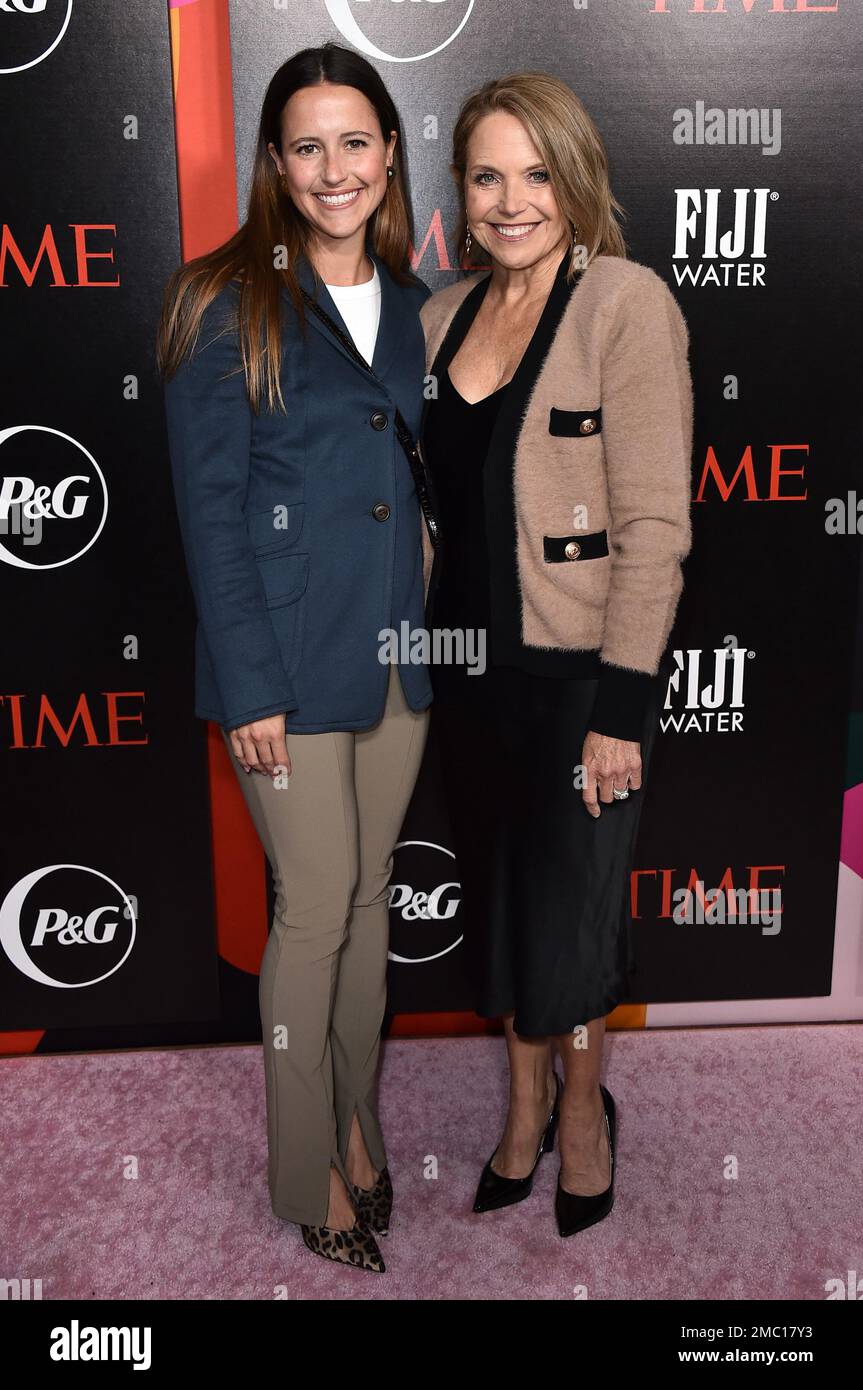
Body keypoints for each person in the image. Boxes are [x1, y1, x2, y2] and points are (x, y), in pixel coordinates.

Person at [157, 43, 434, 1274]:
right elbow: (211, 516)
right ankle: (304, 1161)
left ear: (387, 153)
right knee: (315, 909)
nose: (334, 168)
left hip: (397, 661)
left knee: (370, 905)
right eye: (307, 145)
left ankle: (360, 1122)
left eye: (355, 141)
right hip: (282, 671)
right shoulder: (228, 298)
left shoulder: (420, 301)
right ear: (274, 162)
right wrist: (251, 682)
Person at [418, 72, 693, 1237]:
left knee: (571, 921)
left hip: (579, 678)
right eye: (486, 175)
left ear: (573, 179)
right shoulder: (439, 317)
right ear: (461, 196)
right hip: (467, 677)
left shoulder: (622, 301)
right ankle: (519, 1111)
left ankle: (582, 1114)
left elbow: (656, 525)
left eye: (535, 172)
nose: (510, 198)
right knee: (502, 911)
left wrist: (621, 707)